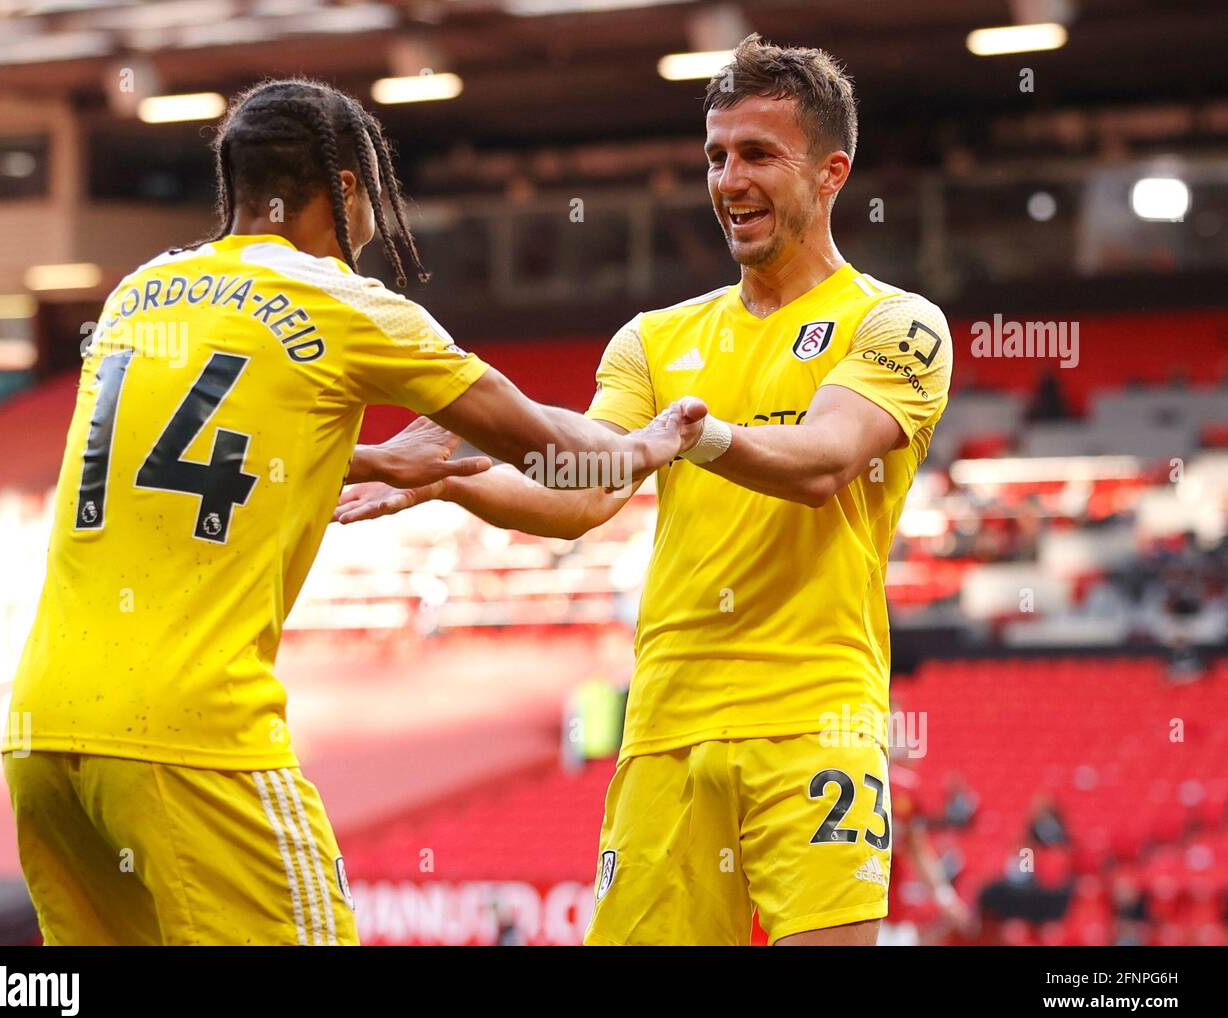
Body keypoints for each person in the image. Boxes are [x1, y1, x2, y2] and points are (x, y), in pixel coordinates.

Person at [1, 78, 700, 946]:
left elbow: (169, 463)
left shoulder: (138, 295)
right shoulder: (346, 304)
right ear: (346, 187)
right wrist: (652, 443)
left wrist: (363, 457)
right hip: (190, 735)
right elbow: (554, 455)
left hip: (44, 735)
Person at [336, 37, 954, 945]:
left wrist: (694, 437)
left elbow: (824, 463)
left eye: (756, 154)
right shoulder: (652, 339)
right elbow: (585, 492)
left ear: (831, 172)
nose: (728, 179)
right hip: (666, 723)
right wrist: (459, 477)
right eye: (714, 156)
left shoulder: (897, 322)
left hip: (814, 721)